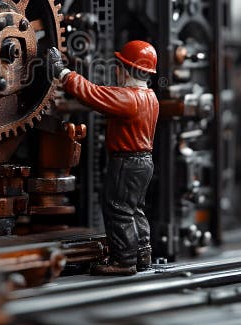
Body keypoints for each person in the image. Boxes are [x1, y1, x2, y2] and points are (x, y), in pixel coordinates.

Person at [47, 41, 160, 275]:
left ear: (126, 69)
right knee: (134, 208)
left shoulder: (129, 99)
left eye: (119, 66)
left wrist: (62, 72)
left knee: (117, 208)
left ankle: (124, 261)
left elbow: (93, 94)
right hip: (144, 162)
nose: (117, 71)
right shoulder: (151, 98)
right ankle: (142, 254)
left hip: (126, 162)